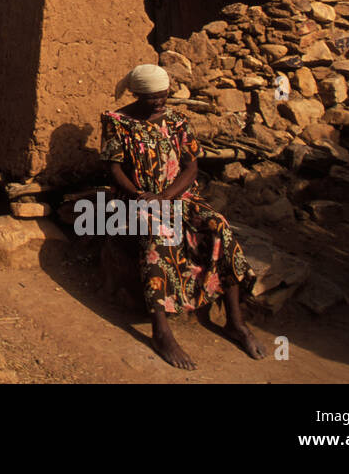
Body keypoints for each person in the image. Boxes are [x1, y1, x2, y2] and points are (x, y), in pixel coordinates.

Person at [99, 63, 265, 369]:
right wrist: (140, 196)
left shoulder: (177, 120)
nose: (161, 102)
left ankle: (235, 322)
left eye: (164, 95)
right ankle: (161, 331)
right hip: (135, 199)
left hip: (177, 197)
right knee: (157, 239)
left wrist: (166, 196)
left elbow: (191, 167)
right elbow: (113, 168)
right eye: (154, 97)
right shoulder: (117, 122)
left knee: (220, 228)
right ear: (137, 94)